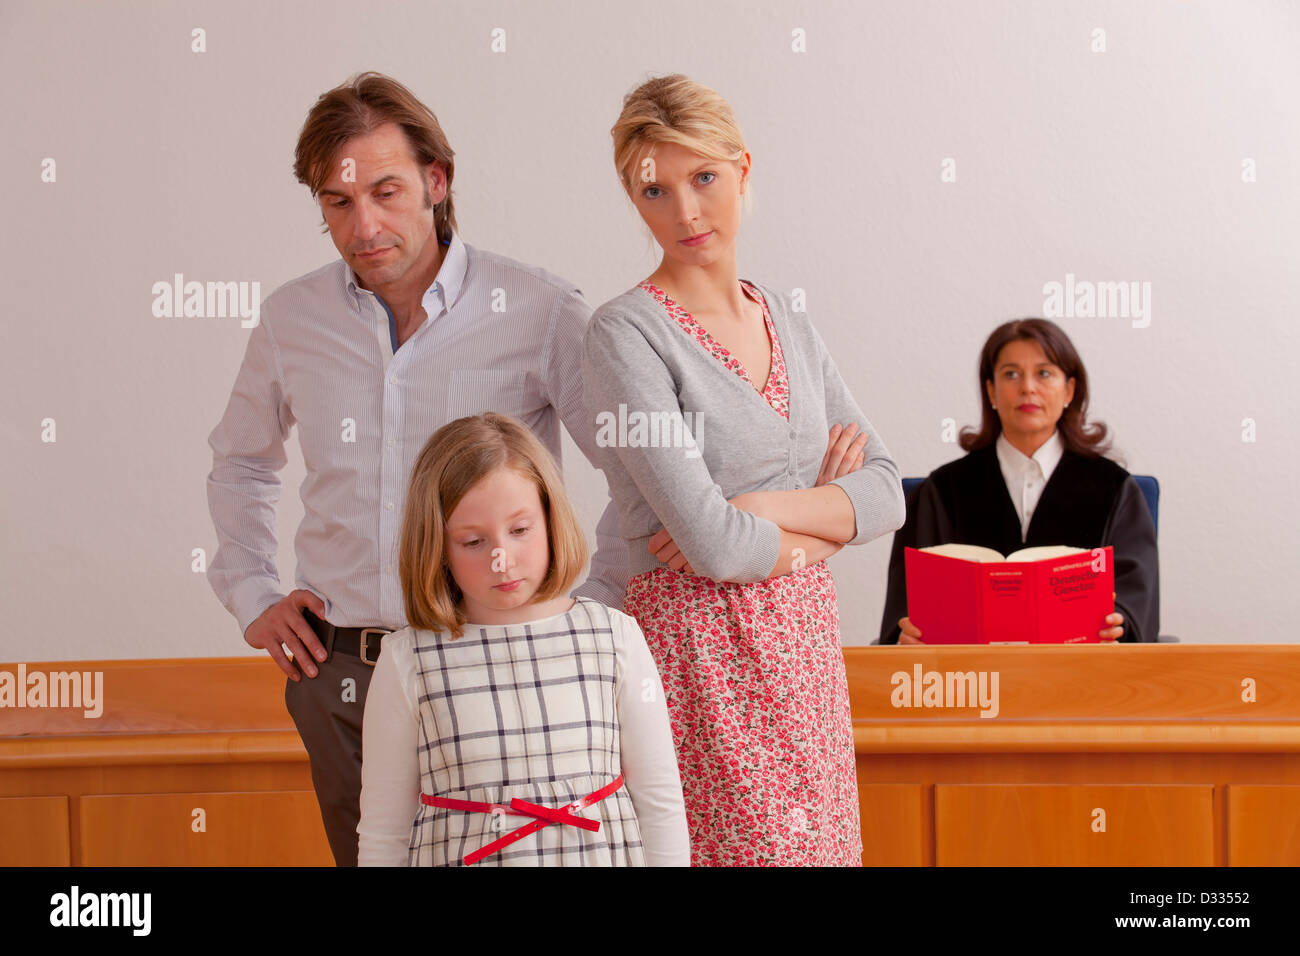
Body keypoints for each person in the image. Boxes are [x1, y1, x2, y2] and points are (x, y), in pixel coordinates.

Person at [204, 73, 631, 866]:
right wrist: (254, 593)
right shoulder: (291, 319)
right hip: (342, 681)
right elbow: (240, 464)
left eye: (387, 192)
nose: (363, 225)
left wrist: (588, 607)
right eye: (338, 202)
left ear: (437, 182)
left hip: (497, 664)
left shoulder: (539, 312)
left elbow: (633, 473)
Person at [583, 74, 905, 866]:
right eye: (655, 191)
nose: (686, 213)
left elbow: (891, 492)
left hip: (807, 662)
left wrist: (760, 505)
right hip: (703, 662)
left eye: (704, 179)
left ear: (743, 168)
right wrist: (826, 517)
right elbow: (717, 550)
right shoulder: (626, 334)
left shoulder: (786, 318)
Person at [357, 413, 688, 865]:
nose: (502, 560)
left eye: (519, 530)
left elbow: (660, 804)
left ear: (551, 519)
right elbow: (384, 834)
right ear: (436, 546)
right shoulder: (407, 660)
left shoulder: (614, 638)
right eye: (472, 541)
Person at [879, 318, 1160, 644]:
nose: (1028, 387)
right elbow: (904, 613)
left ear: (1069, 389)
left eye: (1044, 373)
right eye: (1011, 374)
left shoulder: (1115, 489)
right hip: (968, 686)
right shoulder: (942, 491)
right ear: (991, 391)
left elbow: (1134, 607)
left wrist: (1117, 626)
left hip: (1082, 682)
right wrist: (905, 637)